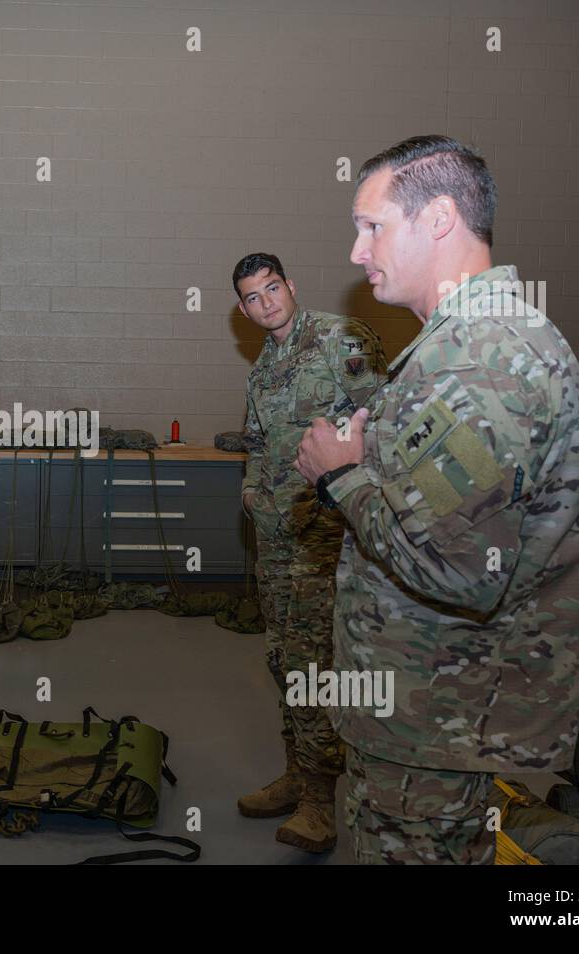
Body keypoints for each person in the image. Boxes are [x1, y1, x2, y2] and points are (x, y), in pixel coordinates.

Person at [295, 135, 579, 864]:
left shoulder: (475, 360)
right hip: (440, 707)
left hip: (434, 716)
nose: (356, 251)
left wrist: (342, 476)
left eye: (371, 226)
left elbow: (461, 570)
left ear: (438, 219)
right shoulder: (479, 342)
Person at [233, 252, 387, 853]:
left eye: (272, 288)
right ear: (243, 309)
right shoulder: (263, 366)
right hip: (274, 536)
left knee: (314, 666)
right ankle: (299, 775)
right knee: (282, 658)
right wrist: (249, 488)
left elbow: (384, 418)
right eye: (252, 297)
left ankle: (321, 803)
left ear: (290, 286)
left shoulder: (338, 338)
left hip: (326, 535)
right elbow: (254, 438)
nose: (266, 302)